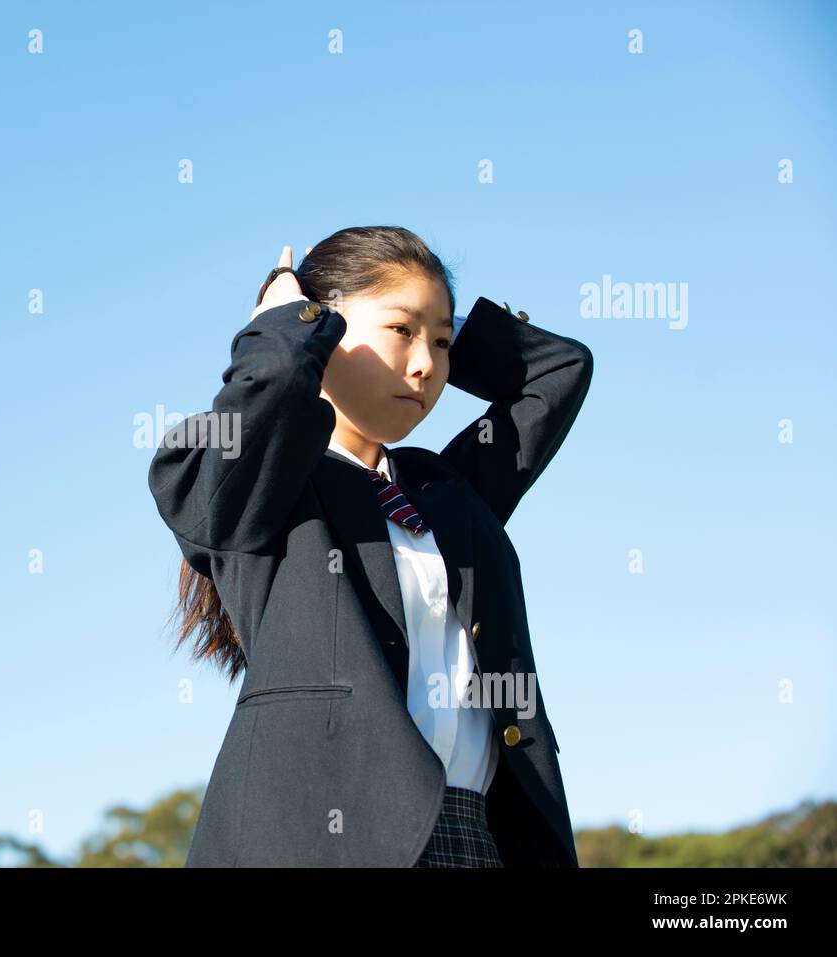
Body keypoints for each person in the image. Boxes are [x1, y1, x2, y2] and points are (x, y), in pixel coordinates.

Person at [147, 225, 593, 867]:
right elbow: (226, 454)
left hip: (481, 837)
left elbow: (559, 371)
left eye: (441, 345)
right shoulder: (264, 492)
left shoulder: (446, 491)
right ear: (320, 329)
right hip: (324, 843)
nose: (427, 366)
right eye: (401, 332)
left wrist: (441, 322)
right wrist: (283, 326)